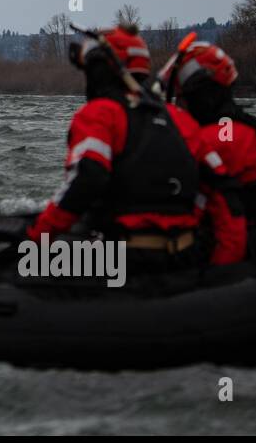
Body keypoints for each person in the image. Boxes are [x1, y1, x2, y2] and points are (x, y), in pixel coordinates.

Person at [25, 25, 239, 272]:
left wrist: (36, 240)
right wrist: (224, 269)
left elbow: (87, 178)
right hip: (183, 258)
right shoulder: (181, 120)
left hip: (124, 262)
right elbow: (224, 194)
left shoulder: (99, 114)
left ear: (99, 70)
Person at [165, 39, 256, 264]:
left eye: (182, 98)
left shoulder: (220, 138)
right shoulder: (242, 127)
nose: (179, 105)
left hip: (239, 253)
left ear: (200, 95)